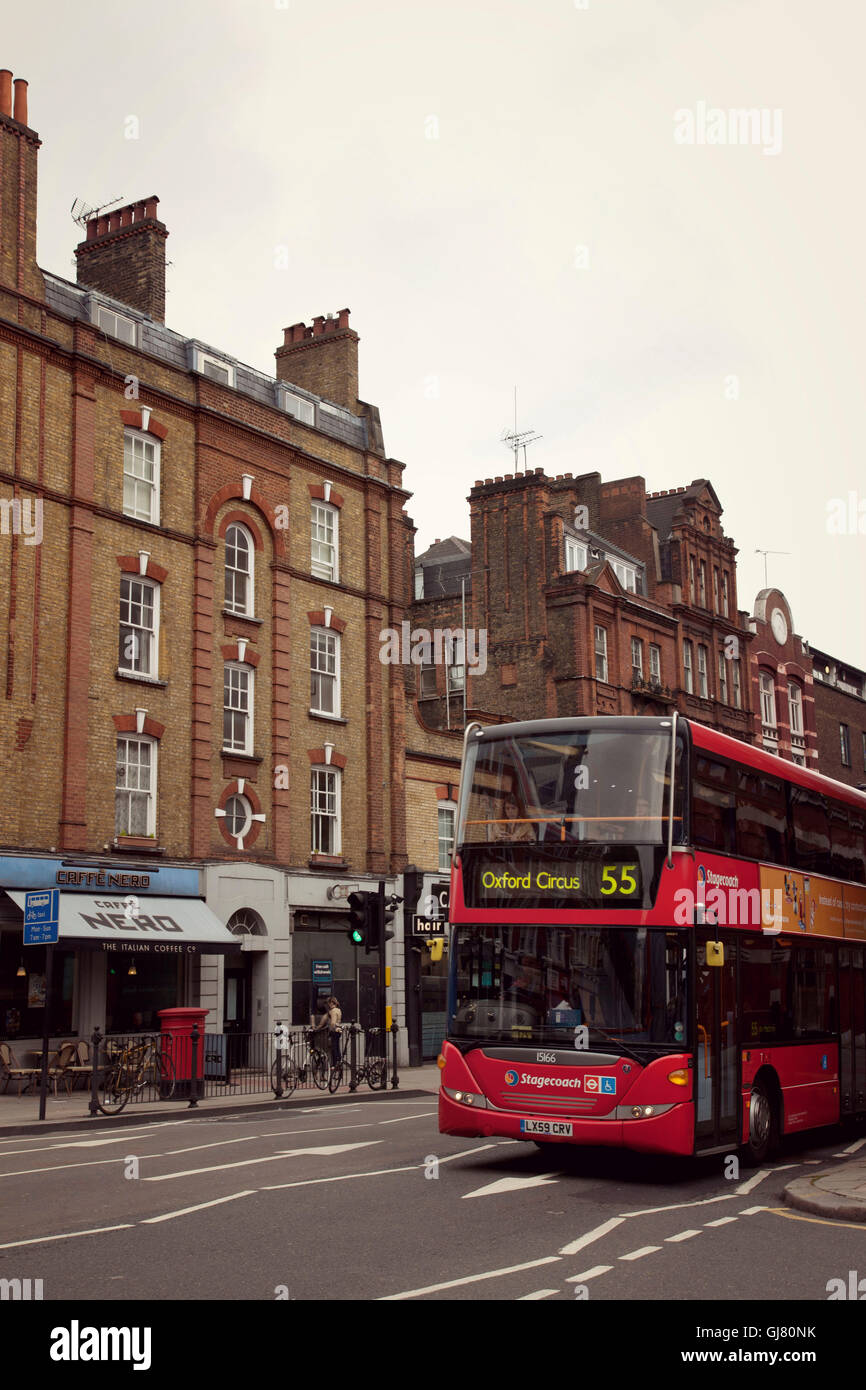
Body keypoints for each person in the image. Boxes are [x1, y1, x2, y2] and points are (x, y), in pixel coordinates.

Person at [317, 995, 342, 1067]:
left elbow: (333, 1023)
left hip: (334, 1031)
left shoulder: (333, 1011)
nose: (328, 1005)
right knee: (337, 1047)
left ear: (331, 1002)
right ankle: (339, 1062)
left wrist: (331, 1028)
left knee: (334, 1048)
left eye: (329, 1003)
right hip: (338, 1030)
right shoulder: (338, 1010)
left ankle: (334, 1065)